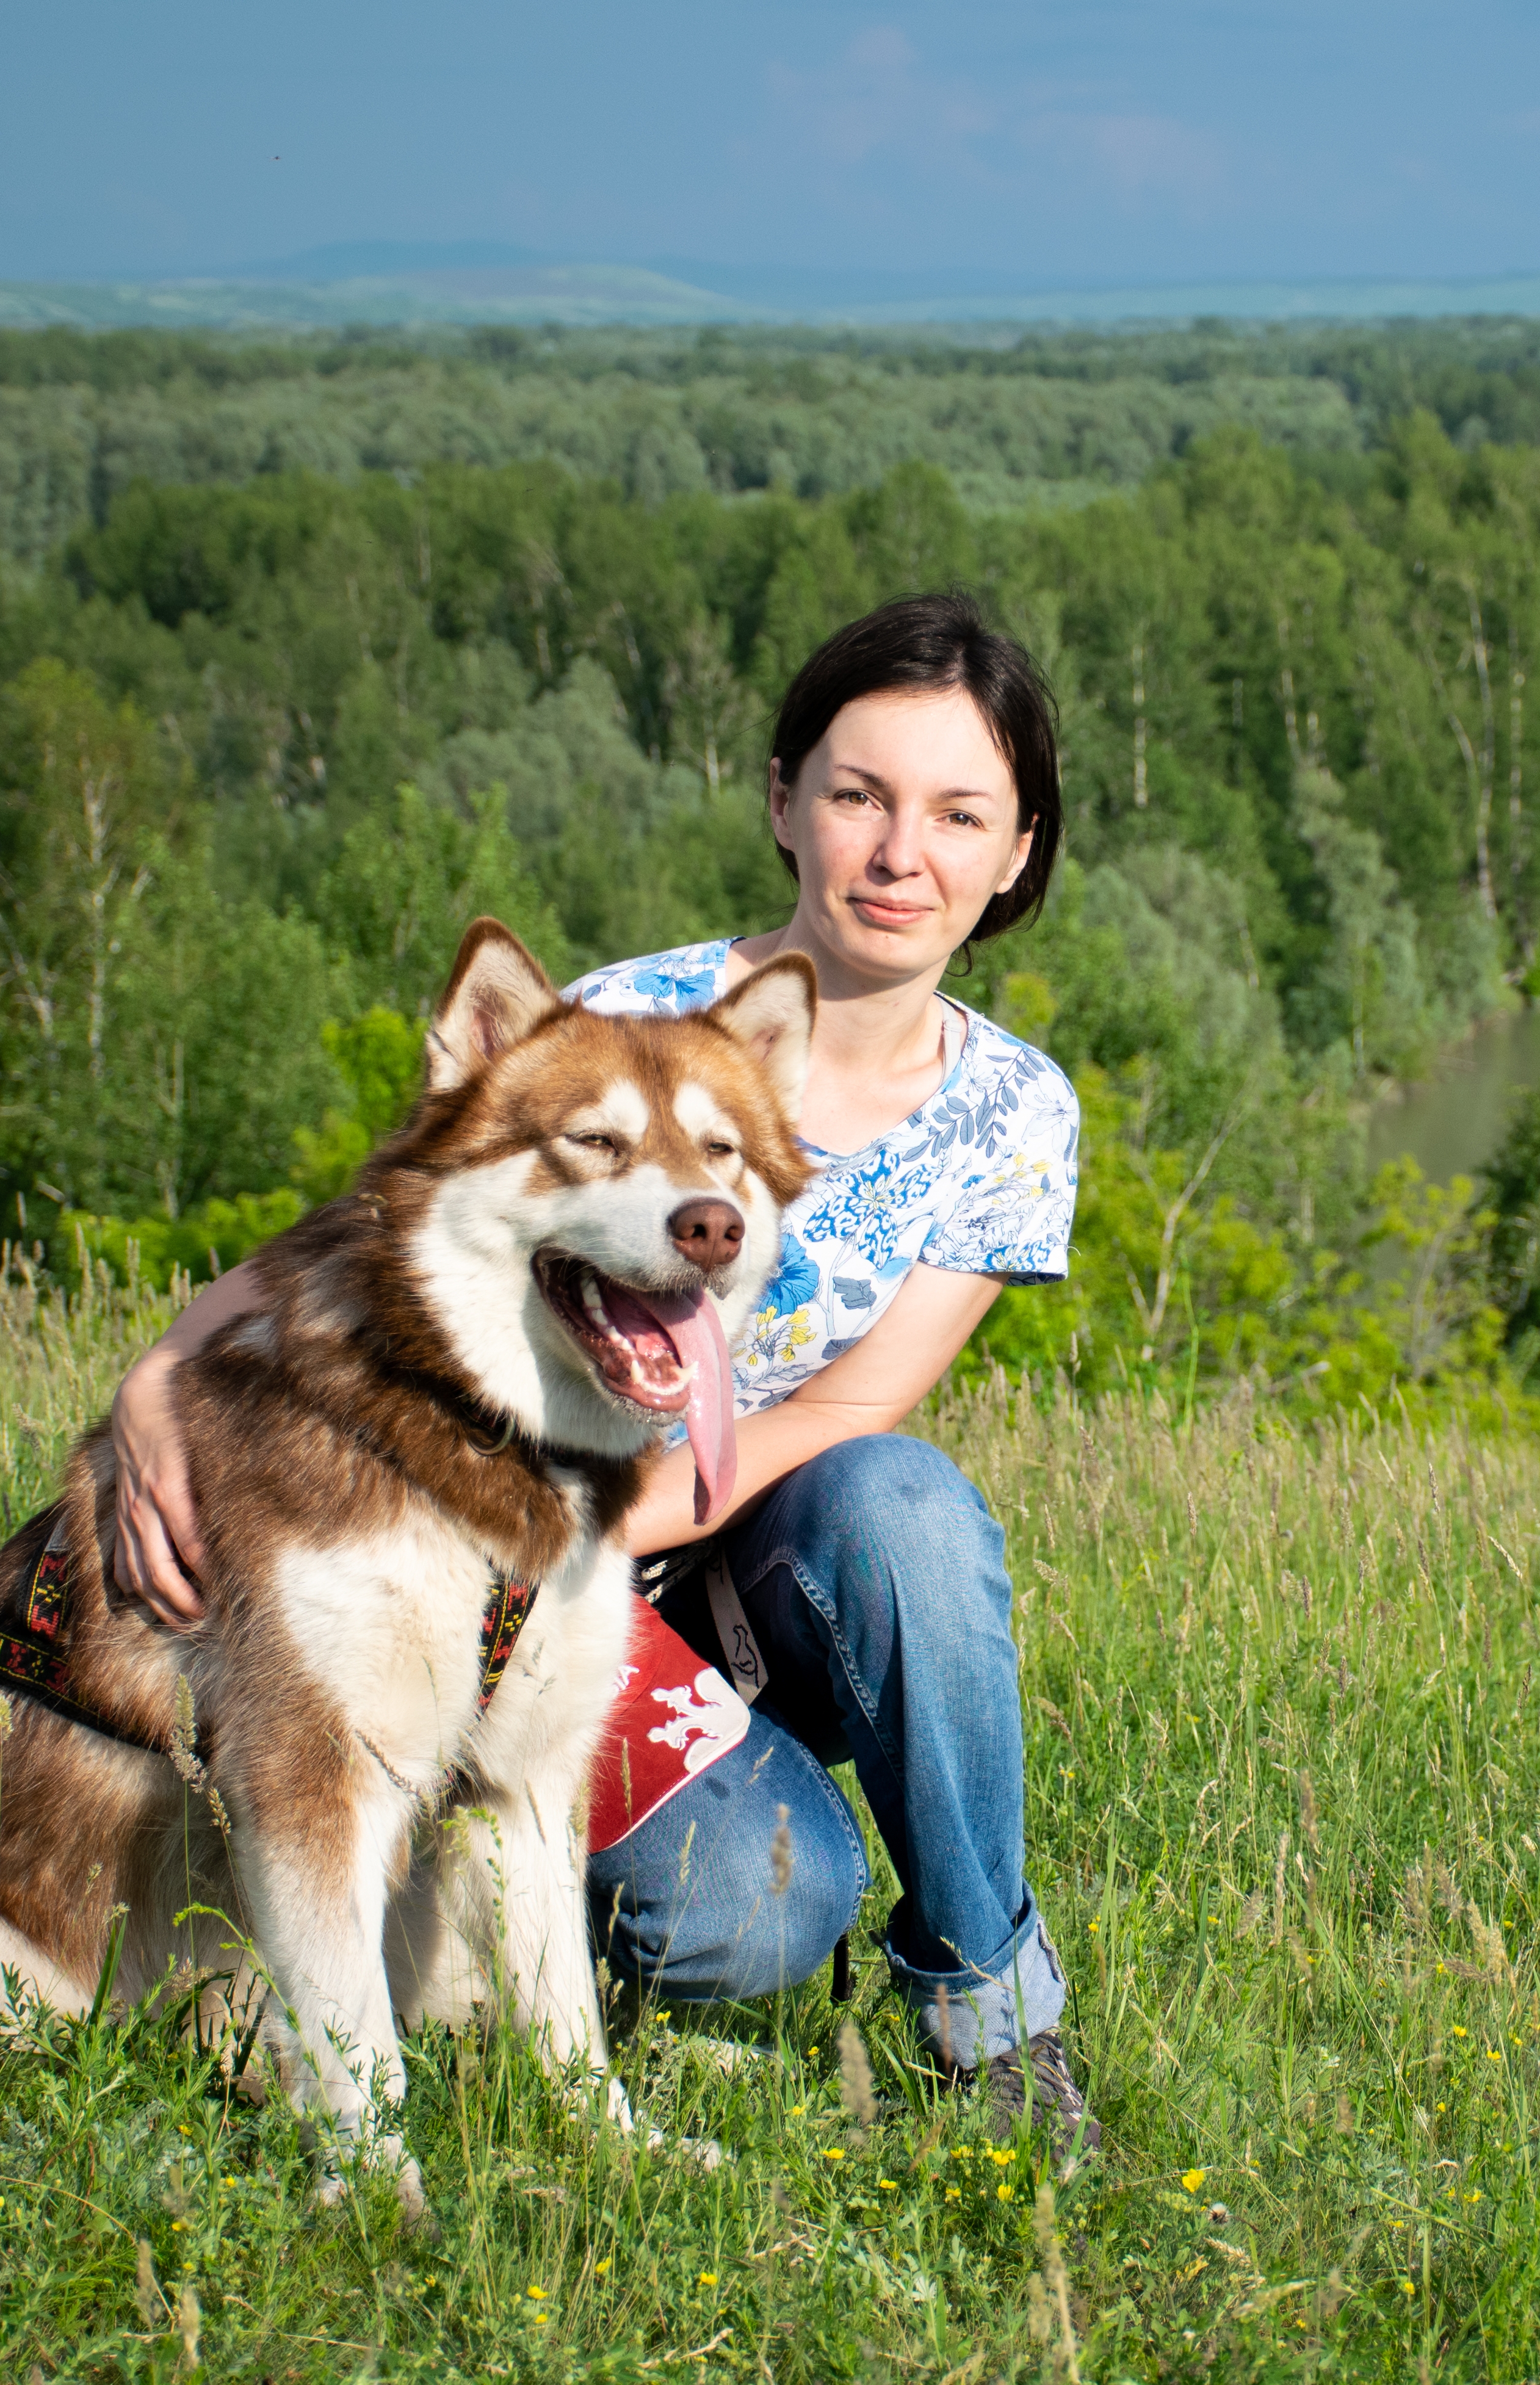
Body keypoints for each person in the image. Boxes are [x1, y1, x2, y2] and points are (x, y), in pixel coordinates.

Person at [100, 590, 1094, 2159]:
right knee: (769, 1910)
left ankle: (993, 2016)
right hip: (520, 1555)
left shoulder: (1018, 1115)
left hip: (727, 1559)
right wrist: (160, 1372)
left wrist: (625, 1527)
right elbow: (376, 1230)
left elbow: (844, 1407)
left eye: (961, 813)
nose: (904, 853)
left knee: (903, 1503)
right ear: (784, 800)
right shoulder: (636, 1019)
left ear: (1018, 849)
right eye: (860, 796)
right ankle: (468, 1959)